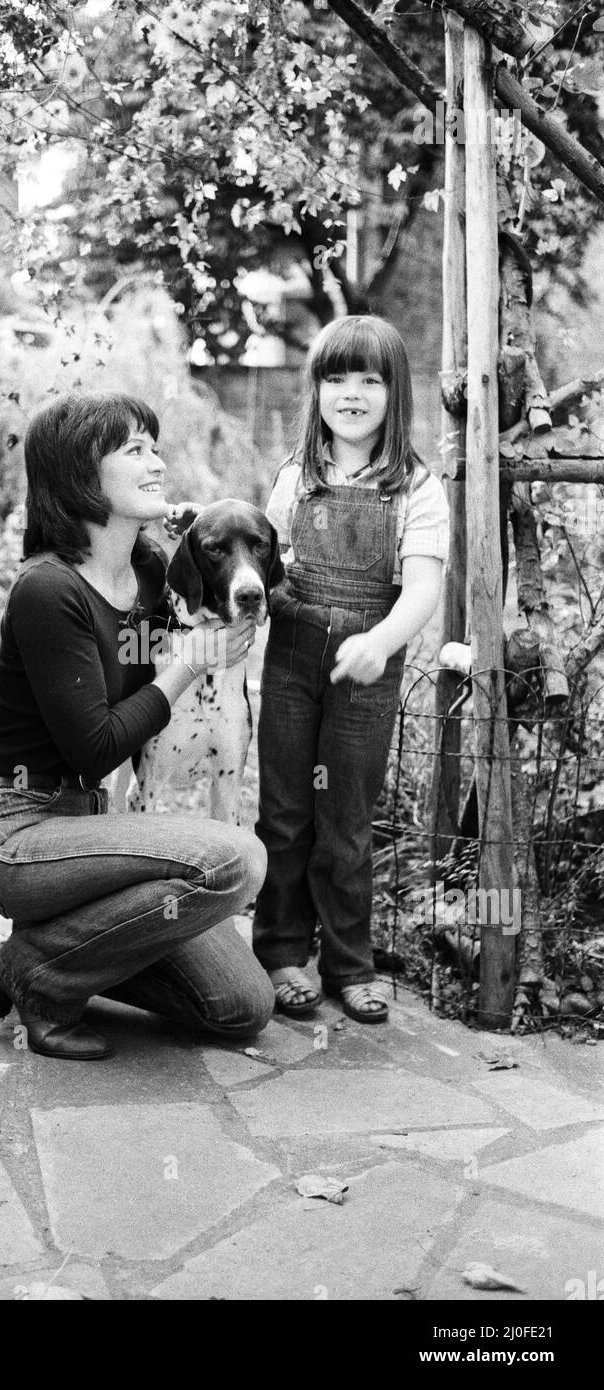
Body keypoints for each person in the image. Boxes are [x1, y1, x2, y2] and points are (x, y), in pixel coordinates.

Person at [0, 390, 273, 1061]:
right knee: (236, 859)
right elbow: (95, 743)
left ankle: (66, 946)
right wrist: (187, 666)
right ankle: (40, 973)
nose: (156, 461)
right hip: (17, 833)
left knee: (242, 1005)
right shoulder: (47, 590)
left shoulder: (153, 573)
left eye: (154, 447)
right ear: (80, 476)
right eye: (134, 450)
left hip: (97, 833)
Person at [253, 315, 450, 1023]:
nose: (352, 393)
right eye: (336, 378)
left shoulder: (417, 489)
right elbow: (265, 560)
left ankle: (349, 963)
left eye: (370, 379)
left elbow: (424, 588)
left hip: (368, 668)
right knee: (283, 811)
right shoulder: (295, 477)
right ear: (316, 390)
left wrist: (383, 639)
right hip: (293, 659)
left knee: (346, 819)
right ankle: (278, 951)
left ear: (396, 392)